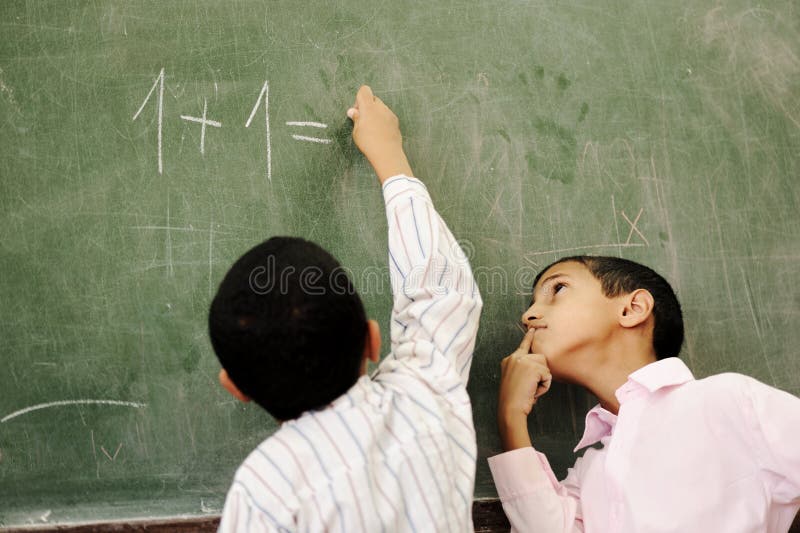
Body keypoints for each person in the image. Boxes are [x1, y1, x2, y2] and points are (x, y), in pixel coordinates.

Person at [209, 85, 482, 532]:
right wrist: (391, 160)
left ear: (235, 388)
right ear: (373, 340)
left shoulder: (265, 490)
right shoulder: (425, 399)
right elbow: (443, 289)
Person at [489, 255, 800, 532]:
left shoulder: (729, 401)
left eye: (556, 290)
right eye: (531, 304)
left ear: (632, 308)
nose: (528, 315)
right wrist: (510, 416)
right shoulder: (588, 473)